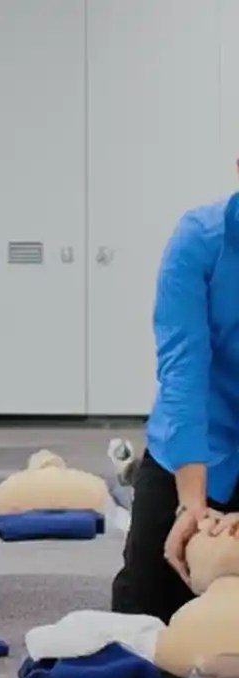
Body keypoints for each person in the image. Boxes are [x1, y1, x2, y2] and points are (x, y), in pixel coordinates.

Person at [111, 186, 239, 625]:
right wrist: (191, 507)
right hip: (198, 441)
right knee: (147, 612)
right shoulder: (198, 240)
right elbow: (184, 372)